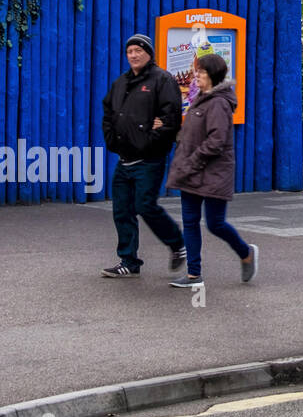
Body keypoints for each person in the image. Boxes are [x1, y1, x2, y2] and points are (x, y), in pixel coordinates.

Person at [165, 52, 258, 288]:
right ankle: (194, 275)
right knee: (190, 221)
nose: (197, 75)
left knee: (215, 223)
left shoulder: (218, 103)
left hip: (213, 172)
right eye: (197, 71)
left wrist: (192, 160)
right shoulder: (201, 98)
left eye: (202, 72)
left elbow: (216, 141)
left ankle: (246, 252)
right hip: (193, 172)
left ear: (213, 76)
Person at [100, 33, 187, 278]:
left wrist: (148, 143)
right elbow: (108, 114)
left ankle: (177, 244)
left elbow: (170, 121)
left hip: (149, 160)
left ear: (149, 53)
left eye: (138, 50)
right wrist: (112, 140)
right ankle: (128, 261)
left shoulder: (162, 80)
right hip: (123, 159)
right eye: (129, 51)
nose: (133, 55)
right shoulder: (120, 83)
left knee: (145, 205)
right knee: (121, 210)